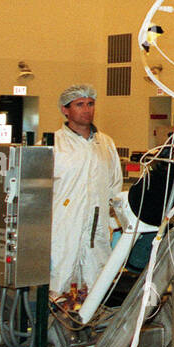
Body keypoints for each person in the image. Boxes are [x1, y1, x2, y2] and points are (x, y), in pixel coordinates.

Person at [50, 85, 123, 297]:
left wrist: (113, 223)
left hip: (97, 229)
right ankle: (58, 326)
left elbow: (114, 185)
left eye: (90, 104)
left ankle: (91, 327)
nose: (86, 109)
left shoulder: (106, 144)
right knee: (59, 285)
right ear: (65, 110)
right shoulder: (53, 144)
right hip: (63, 228)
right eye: (79, 104)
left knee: (97, 285)